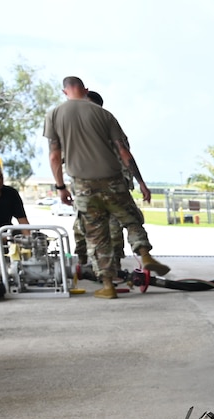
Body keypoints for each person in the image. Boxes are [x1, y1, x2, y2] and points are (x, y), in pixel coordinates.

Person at [43, 75, 169, 299]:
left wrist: (61, 186)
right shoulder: (105, 114)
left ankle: (108, 286)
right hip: (113, 181)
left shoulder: (54, 115)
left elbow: (54, 155)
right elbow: (124, 153)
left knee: (96, 237)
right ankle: (144, 253)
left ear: (64, 92)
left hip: (83, 186)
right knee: (131, 219)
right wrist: (141, 182)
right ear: (85, 89)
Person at [72, 89, 153, 269]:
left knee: (114, 229)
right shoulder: (79, 130)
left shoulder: (107, 126)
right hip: (88, 189)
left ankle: (112, 270)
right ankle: (84, 264)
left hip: (112, 186)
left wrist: (140, 182)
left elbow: (125, 155)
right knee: (84, 228)